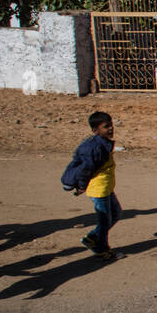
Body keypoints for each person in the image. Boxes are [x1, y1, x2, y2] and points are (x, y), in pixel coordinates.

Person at [61, 111, 122, 260]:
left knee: (116, 213)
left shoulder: (103, 143)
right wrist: (82, 185)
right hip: (99, 189)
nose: (110, 129)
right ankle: (102, 249)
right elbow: (85, 169)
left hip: (106, 187)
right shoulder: (94, 148)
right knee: (105, 220)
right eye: (106, 127)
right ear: (95, 130)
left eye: (111, 125)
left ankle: (92, 238)